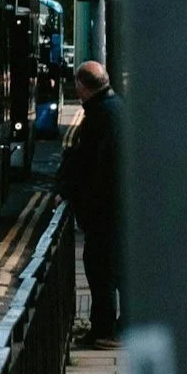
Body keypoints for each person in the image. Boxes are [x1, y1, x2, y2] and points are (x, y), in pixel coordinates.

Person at [58, 60, 123, 348]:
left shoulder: (100, 116)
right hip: (115, 209)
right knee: (112, 269)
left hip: (105, 213)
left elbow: (90, 166)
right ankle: (112, 328)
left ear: (82, 87)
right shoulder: (114, 108)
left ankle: (105, 331)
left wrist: (73, 194)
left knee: (100, 271)